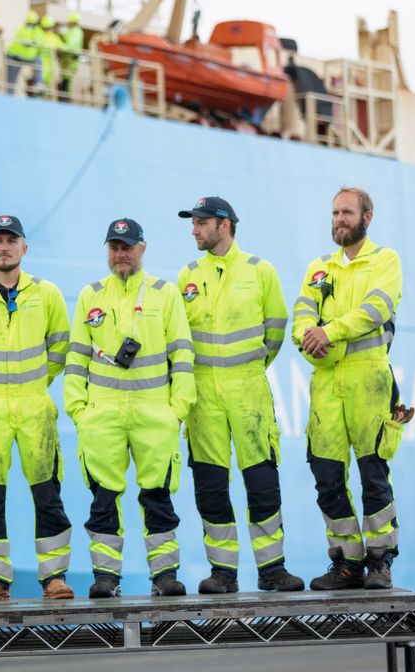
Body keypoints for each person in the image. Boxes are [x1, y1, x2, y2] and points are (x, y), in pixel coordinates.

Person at [175, 200, 304, 594]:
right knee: (211, 487)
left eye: (201, 223)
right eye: (193, 223)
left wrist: (247, 369)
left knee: (262, 484)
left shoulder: (260, 271)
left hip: (249, 392)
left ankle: (272, 571)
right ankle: (223, 573)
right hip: (203, 398)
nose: (194, 230)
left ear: (225, 225)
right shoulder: (187, 276)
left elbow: (275, 331)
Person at [64, 219, 195, 598]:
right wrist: (79, 409)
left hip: (155, 415)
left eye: (127, 247)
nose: (121, 254)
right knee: (103, 498)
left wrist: (178, 409)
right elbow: (77, 357)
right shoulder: (91, 296)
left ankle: (165, 576)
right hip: (102, 417)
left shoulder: (164, 294)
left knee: (158, 498)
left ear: (142, 249)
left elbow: (182, 355)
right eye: (114, 247)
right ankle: (106, 578)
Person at [293, 188, 404, 590]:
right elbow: (301, 315)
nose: (339, 219)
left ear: (367, 217)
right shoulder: (318, 268)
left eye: (347, 212)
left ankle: (380, 562)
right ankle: (347, 563)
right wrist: (311, 339)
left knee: (373, 474)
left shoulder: (384, 260)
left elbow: (376, 309)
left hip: (370, 380)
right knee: (326, 477)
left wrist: (328, 332)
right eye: (335, 212)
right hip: (326, 384)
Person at [0, 216, 73, 602]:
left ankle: (54, 578)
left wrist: (34, 385)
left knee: (47, 493)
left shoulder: (47, 294)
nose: (4, 246)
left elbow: (59, 348)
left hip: (35, 406)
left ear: (24, 248)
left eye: (12, 240)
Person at [5, 11, 41, 96]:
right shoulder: (22, 30)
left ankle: (38, 83)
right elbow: (27, 43)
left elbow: (38, 41)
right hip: (14, 57)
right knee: (11, 82)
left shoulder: (36, 31)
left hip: (26, 58)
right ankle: (8, 98)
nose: (31, 25)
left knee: (38, 62)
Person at [59, 11, 84, 95]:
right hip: (67, 60)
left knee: (67, 80)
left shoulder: (76, 32)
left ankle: (65, 98)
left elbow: (69, 46)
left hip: (71, 60)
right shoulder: (71, 31)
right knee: (65, 78)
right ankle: (64, 95)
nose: (68, 24)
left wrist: (61, 47)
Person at [38, 15, 63, 96]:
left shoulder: (39, 35)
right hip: (48, 66)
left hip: (41, 65)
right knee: (45, 86)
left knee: (41, 86)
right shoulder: (54, 38)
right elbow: (64, 47)